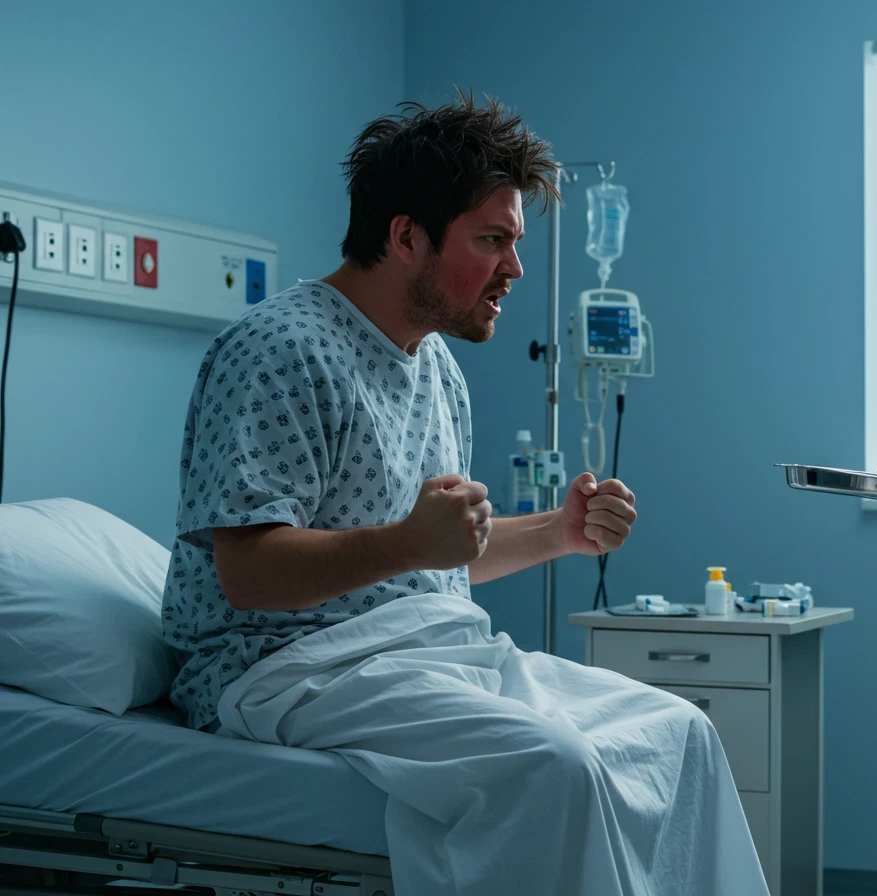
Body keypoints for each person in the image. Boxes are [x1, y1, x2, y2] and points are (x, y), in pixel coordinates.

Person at [161, 92, 768, 896]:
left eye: (514, 243)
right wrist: (410, 543)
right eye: (492, 241)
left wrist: (560, 531)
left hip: (427, 649)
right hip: (284, 667)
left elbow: (435, 561)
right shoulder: (278, 350)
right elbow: (248, 573)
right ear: (406, 236)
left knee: (681, 733)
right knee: (556, 765)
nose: (515, 269)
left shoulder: (437, 368)